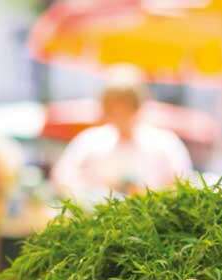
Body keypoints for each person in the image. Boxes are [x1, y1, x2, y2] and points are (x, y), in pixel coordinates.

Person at [51, 66, 192, 205]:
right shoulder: (89, 142)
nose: (120, 114)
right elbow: (62, 178)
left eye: (126, 106)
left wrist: (150, 195)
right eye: (113, 108)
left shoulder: (165, 144)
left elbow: (181, 184)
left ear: (137, 106)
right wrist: (93, 193)